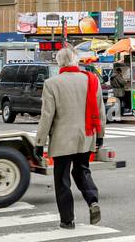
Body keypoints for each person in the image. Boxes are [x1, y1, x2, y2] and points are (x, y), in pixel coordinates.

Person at [35, 47, 106, 230]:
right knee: (82, 170)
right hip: (86, 134)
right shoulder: (91, 80)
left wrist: (39, 142)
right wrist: (100, 135)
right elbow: (100, 110)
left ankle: (67, 220)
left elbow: (47, 116)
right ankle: (92, 201)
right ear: (76, 61)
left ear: (59, 62)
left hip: (61, 139)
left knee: (62, 179)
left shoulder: (52, 83)